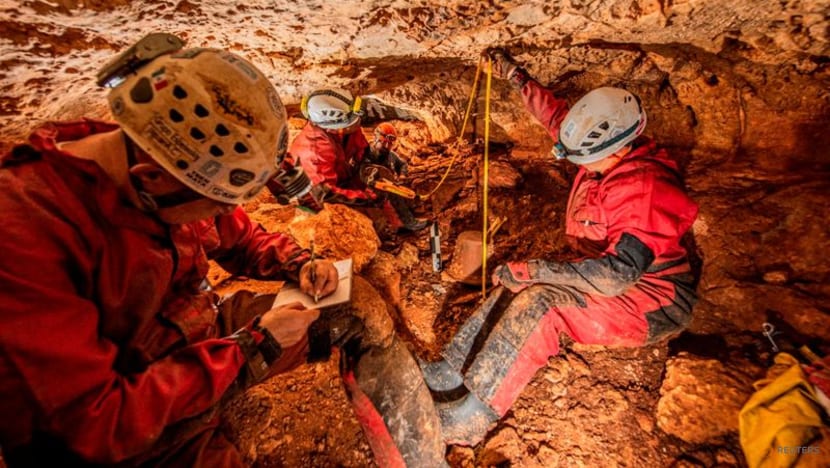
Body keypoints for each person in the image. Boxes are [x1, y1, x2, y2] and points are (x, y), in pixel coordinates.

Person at [0, 34, 445, 468]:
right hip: (124, 426)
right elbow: (92, 426)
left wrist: (299, 262)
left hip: (196, 340)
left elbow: (240, 238)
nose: (226, 211)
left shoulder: (172, 166)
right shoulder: (25, 234)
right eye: (218, 202)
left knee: (356, 305)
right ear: (151, 179)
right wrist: (255, 344)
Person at [420, 48, 700, 446]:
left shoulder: (644, 188)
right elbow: (556, 119)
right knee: (517, 284)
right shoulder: (604, 150)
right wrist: (517, 77)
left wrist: (536, 271)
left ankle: (470, 417)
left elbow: (618, 275)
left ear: (617, 149)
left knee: (543, 305)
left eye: (588, 160)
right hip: (612, 276)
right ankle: (449, 373)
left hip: (654, 301)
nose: (581, 166)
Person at [284, 88, 427, 232]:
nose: (354, 124)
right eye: (350, 121)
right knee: (369, 215)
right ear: (332, 127)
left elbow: (360, 146)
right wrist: (365, 197)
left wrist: (370, 169)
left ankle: (402, 221)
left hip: (342, 178)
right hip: (321, 198)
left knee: (384, 184)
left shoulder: (342, 129)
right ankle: (387, 228)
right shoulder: (313, 152)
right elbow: (326, 194)